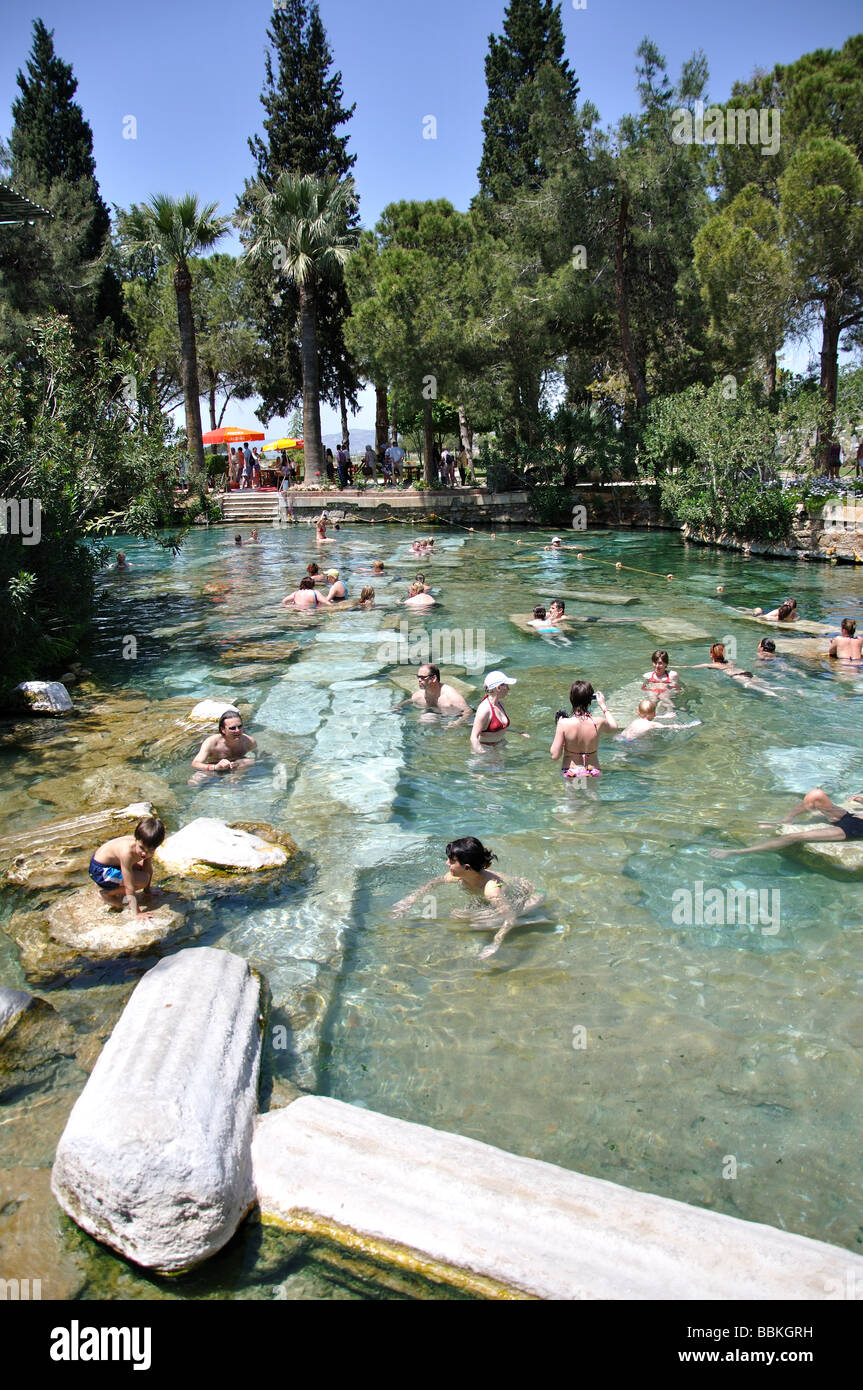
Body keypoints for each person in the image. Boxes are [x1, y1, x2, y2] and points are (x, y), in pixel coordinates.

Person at [390, 836, 542, 959]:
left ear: (466, 867)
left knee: (475, 923)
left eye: (451, 861)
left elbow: (510, 918)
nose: (446, 863)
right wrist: (408, 901)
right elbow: (434, 883)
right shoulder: (458, 876)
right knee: (458, 917)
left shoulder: (491, 891)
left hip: (528, 897)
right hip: (498, 899)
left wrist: (494, 944)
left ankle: (535, 919)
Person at [710, 788, 863, 859]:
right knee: (816, 794)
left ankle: (734, 852)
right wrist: (859, 799)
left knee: (793, 837)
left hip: (853, 829)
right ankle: (786, 820)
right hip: (852, 816)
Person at [89, 816, 166, 915]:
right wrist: (137, 913)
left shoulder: (146, 842)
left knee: (143, 872)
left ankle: (111, 885)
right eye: (141, 848)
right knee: (142, 880)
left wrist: (147, 890)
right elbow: (129, 886)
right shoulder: (127, 853)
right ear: (136, 839)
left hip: (112, 865)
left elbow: (148, 868)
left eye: (150, 850)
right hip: (100, 871)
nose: (144, 853)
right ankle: (106, 894)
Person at [550, 680, 618, 778]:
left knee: (570, 794)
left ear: (571, 699)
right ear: (590, 700)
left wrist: (559, 726)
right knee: (592, 793)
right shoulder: (599, 722)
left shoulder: (563, 723)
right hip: (592, 771)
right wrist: (603, 706)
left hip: (571, 771)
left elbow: (555, 755)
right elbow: (614, 727)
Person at [471, 671, 524, 753]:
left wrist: (518, 732)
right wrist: (482, 753)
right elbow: (473, 737)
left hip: (499, 746)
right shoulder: (485, 709)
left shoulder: (500, 704)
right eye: (506, 686)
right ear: (498, 688)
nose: (508, 689)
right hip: (486, 751)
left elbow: (501, 727)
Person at [191, 710, 257, 776]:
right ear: (223, 730)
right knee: (194, 781)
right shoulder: (211, 743)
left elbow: (257, 756)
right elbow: (195, 764)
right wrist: (215, 767)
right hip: (215, 766)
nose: (237, 730)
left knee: (249, 761)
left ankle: (234, 780)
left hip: (238, 766)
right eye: (232, 728)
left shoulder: (249, 741)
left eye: (240, 726)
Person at [619, 697, 699, 741]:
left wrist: (664, 717)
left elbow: (646, 717)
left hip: (621, 737)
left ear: (638, 713)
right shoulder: (653, 724)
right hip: (634, 742)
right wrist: (689, 725)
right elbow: (672, 727)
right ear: (654, 714)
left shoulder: (636, 720)